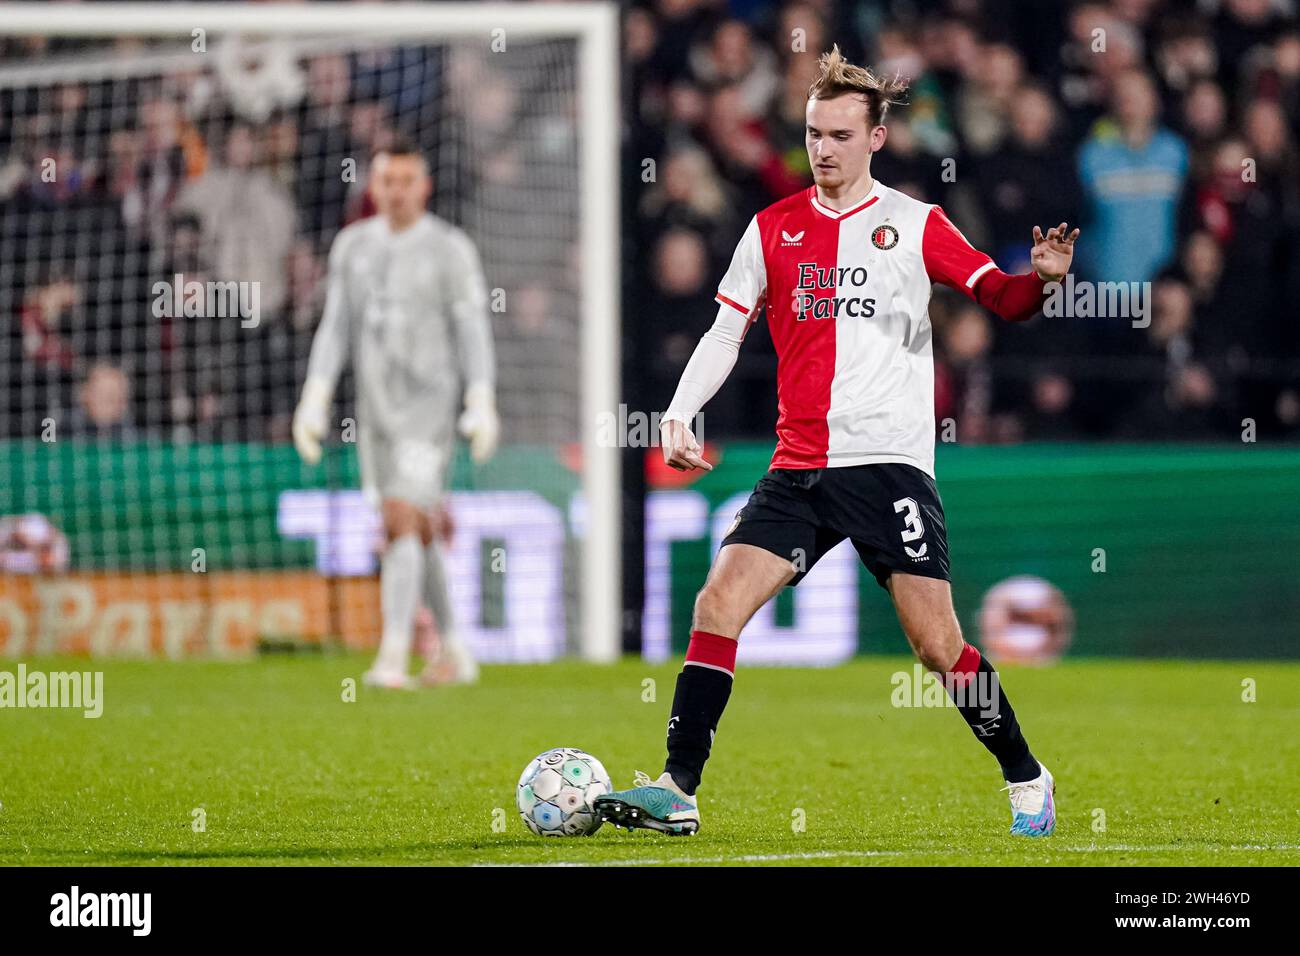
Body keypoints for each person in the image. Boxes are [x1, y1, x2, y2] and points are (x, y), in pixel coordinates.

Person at [596, 47, 1078, 838]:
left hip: (887, 465)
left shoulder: (915, 224)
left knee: (937, 645)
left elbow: (1001, 297)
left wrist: (1044, 279)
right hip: (799, 468)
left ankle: (1026, 775)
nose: (824, 148)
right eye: (815, 132)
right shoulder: (771, 228)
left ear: (876, 138)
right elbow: (724, 333)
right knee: (716, 603)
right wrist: (679, 415)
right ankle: (678, 789)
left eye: (841, 135)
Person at [292, 139, 499, 688]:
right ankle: (456, 649)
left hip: (430, 411)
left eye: (407, 181)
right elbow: (335, 325)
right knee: (417, 527)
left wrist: (481, 397)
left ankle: (391, 656)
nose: (397, 191)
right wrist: (315, 395)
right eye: (387, 181)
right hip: (375, 413)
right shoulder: (352, 246)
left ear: (424, 186)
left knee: (400, 519)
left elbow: (471, 327)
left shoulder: (450, 249)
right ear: (373, 186)